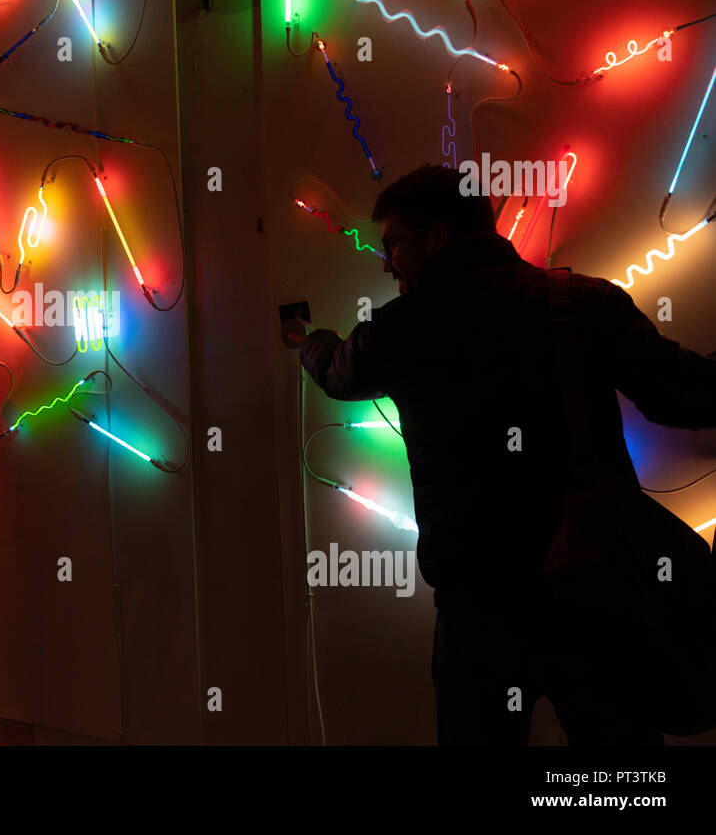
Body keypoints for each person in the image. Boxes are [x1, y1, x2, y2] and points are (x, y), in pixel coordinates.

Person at [290, 164, 716, 745]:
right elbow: (679, 392)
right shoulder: (577, 302)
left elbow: (338, 373)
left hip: (477, 606)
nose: (386, 262)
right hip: (592, 589)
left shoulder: (400, 330)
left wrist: (305, 339)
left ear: (437, 237)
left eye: (393, 244)